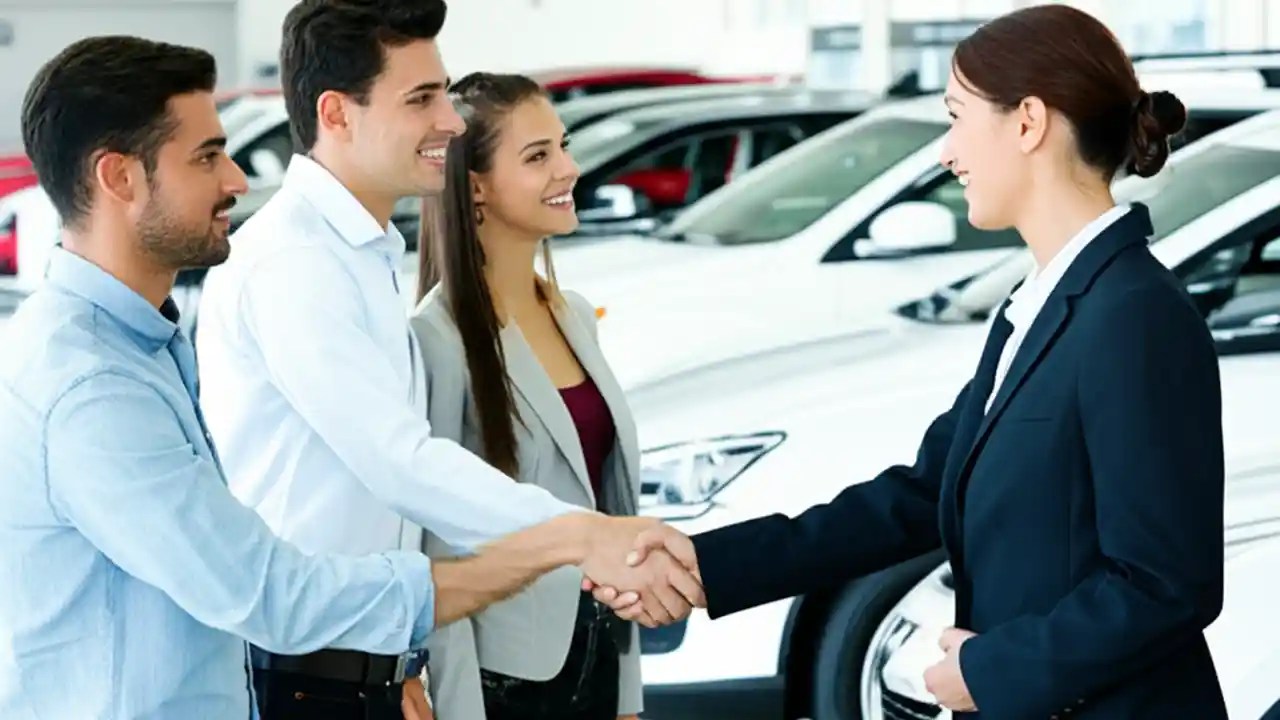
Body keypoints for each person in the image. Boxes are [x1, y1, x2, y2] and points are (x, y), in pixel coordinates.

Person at [0, 34, 663, 720]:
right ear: (119, 179)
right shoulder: (94, 388)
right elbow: (273, 591)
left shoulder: (139, 343)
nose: (234, 179)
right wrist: (563, 542)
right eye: (206, 157)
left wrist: (399, 658)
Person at [591, 6, 1228, 719]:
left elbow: (1168, 581)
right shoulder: (1042, 300)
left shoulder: (1135, 314)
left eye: (957, 118)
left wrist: (990, 670)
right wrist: (707, 566)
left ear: (1027, 123)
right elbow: (923, 494)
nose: (946, 153)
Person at [194, 2, 701, 716]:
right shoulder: (294, 264)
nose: (452, 122)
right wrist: (581, 535)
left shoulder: (362, 254)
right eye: (421, 99)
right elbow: (399, 462)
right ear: (337, 114)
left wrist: (404, 657)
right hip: (306, 676)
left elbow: (382, 511)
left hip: (361, 665)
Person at [410, 72, 649, 720]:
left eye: (563, 146)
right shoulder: (437, 338)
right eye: (538, 156)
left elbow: (610, 505)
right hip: (507, 682)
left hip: (598, 654)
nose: (568, 169)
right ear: (475, 186)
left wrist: (627, 693)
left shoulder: (573, 315)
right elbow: (435, 549)